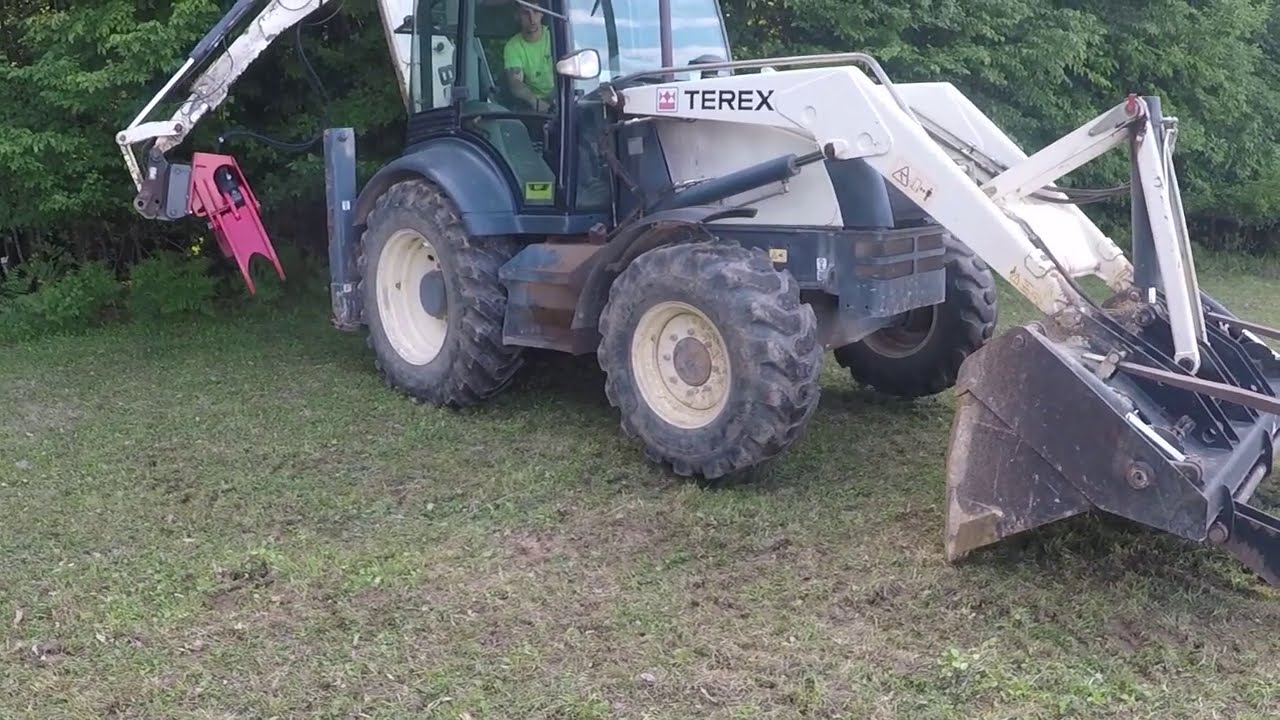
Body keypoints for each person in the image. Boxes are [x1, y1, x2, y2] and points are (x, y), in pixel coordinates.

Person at [503, 1, 555, 112]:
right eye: (526, 13)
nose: (532, 20)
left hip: (564, 98)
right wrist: (535, 102)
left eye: (536, 12)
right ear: (517, 16)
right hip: (535, 105)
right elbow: (515, 83)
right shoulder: (513, 47)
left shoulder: (556, 37)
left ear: (542, 13)